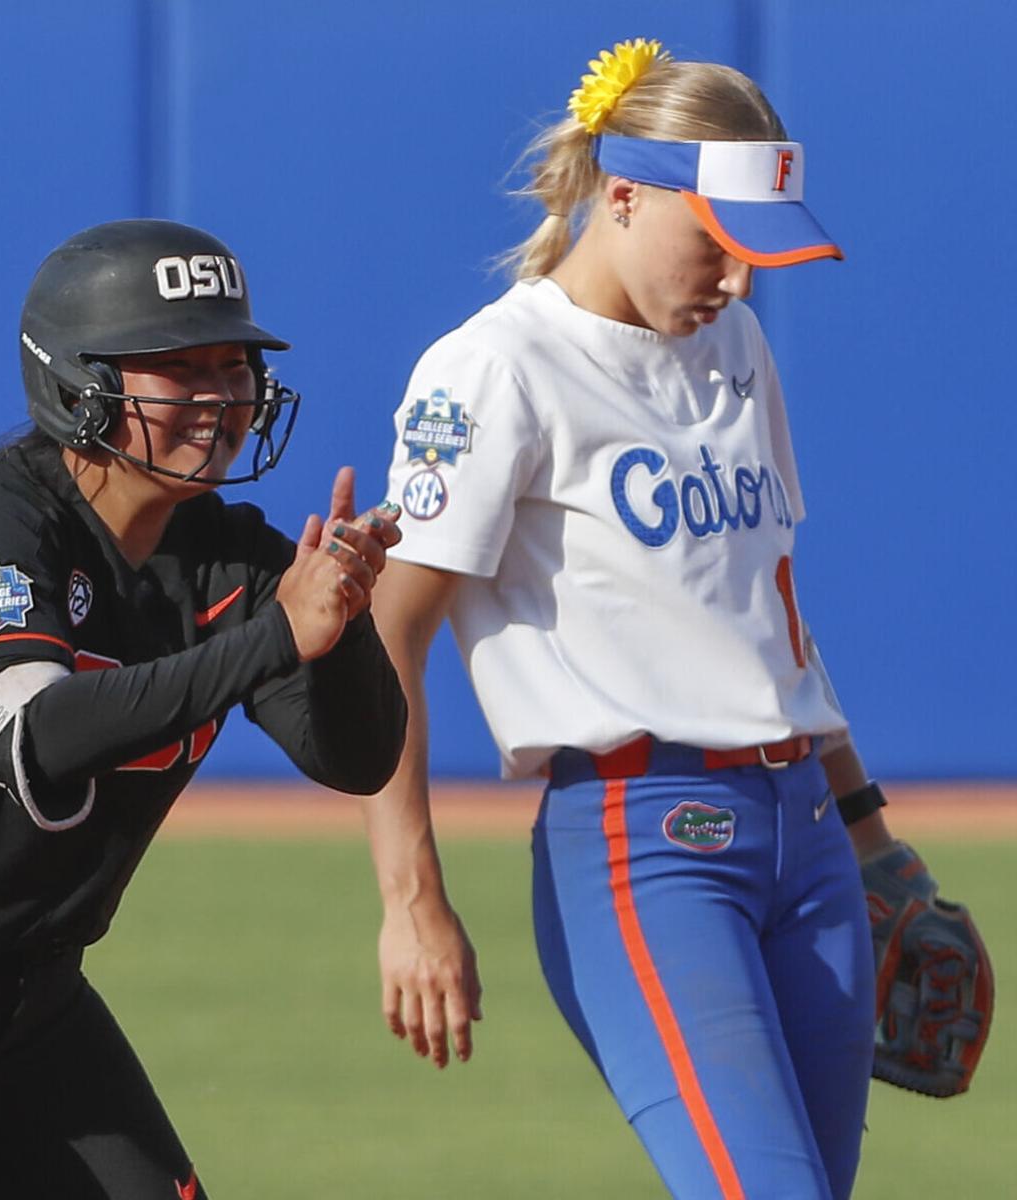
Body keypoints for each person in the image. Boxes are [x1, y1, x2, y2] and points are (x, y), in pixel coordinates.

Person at [360, 38, 936, 1200]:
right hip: (645, 846)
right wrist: (410, 898)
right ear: (622, 194)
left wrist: (872, 834)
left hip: (811, 839)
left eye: (757, 254)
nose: (737, 279)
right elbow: (386, 635)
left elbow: (769, 611)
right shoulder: (494, 370)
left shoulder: (735, 345)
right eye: (718, 243)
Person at [0, 218, 406, 1199]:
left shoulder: (236, 564)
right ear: (78, 384)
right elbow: (36, 739)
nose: (222, 398)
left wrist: (339, 628)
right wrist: (274, 639)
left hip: (38, 999)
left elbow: (354, 758)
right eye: (181, 369)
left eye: (237, 367)